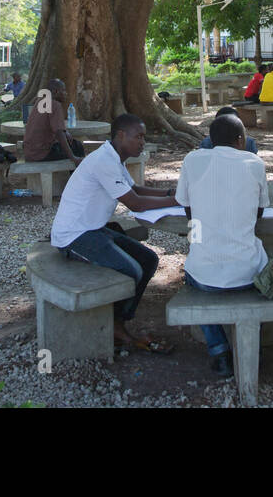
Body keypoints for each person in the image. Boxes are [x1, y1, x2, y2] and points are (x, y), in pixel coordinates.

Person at [50, 114, 179, 353]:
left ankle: (119, 320)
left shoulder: (114, 158)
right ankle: (113, 326)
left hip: (94, 229)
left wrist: (170, 192)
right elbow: (136, 203)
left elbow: (135, 189)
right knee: (131, 270)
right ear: (121, 135)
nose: (142, 142)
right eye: (138, 137)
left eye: (144, 137)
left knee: (149, 260)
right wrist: (176, 200)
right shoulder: (104, 161)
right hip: (74, 236)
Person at [177, 113, 270, 378]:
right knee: (264, 260)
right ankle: (254, 349)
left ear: (210, 139)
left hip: (204, 276)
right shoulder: (255, 163)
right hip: (249, 275)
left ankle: (219, 351)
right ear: (241, 140)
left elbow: (187, 205)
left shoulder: (192, 160)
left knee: (192, 273)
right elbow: (259, 214)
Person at [25, 78, 83, 164]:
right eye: (63, 91)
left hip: (30, 152)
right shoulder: (55, 105)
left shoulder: (40, 101)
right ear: (56, 92)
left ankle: (71, 175)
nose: (66, 93)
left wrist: (65, 132)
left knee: (72, 145)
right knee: (77, 147)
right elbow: (59, 133)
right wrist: (73, 157)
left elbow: (53, 127)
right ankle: (76, 176)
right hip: (42, 154)